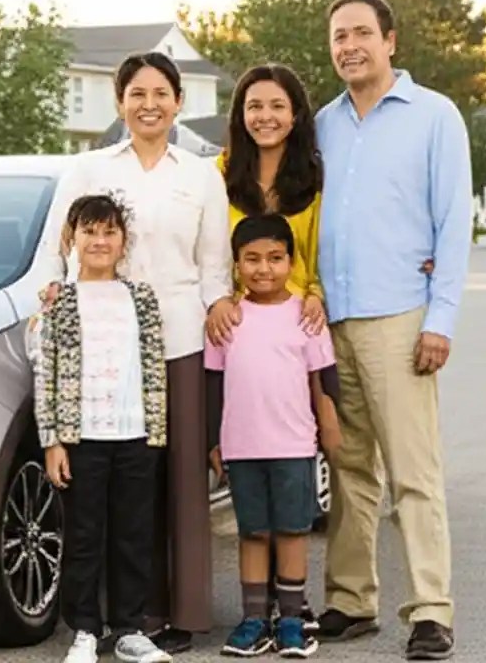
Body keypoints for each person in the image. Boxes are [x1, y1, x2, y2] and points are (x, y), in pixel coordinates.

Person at [36, 51, 235, 654]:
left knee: (175, 484)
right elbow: (55, 250)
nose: (149, 104)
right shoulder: (89, 169)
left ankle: (182, 611)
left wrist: (220, 307)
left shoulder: (200, 174)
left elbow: (212, 264)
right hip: (100, 348)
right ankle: (122, 620)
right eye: (136, 93)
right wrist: (49, 298)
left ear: (178, 101)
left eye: (161, 93)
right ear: (119, 102)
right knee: (106, 497)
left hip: (177, 341)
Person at [313, 0, 471, 661]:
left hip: (402, 315)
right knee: (348, 467)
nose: (349, 46)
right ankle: (352, 599)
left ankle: (431, 609)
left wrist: (441, 317)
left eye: (360, 34)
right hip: (333, 319)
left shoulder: (434, 116)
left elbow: (453, 221)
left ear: (390, 41)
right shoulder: (322, 122)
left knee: (414, 471)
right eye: (338, 37)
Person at [207, 63, 334, 632]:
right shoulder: (218, 174)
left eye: (277, 106)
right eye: (254, 106)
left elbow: (323, 246)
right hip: (235, 322)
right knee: (254, 512)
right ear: (240, 115)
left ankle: (291, 606)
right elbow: (210, 248)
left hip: (298, 318)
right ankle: (261, 613)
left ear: (296, 114)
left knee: (299, 473)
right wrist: (217, 298)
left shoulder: (315, 176)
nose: (265, 116)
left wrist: (316, 294)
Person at [33, 194, 173, 663]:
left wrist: (157, 433)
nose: (99, 240)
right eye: (89, 231)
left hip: (135, 435)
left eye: (109, 231)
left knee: (134, 534)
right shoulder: (59, 300)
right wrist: (52, 440)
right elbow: (45, 373)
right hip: (82, 438)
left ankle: (130, 628)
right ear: (71, 238)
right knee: (85, 535)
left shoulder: (141, 297)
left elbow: (155, 365)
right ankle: (85, 630)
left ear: (123, 241)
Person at [205, 214, 342, 659]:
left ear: (290, 260)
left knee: (292, 532)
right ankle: (252, 621)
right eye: (252, 260)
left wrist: (329, 433)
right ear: (237, 264)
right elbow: (212, 386)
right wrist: (212, 440)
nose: (264, 269)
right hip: (243, 448)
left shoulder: (305, 315)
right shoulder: (226, 320)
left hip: (294, 447)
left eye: (275, 259)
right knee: (253, 533)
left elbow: (324, 380)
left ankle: (290, 622)